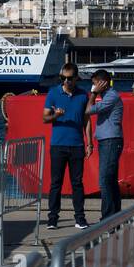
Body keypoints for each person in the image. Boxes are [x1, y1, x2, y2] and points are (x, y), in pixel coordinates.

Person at [42, 62, 89, 230]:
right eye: (63, 78)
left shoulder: (83, 95)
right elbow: (44, 118)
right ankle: (53, 218)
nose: (66, 81)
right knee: (56, 183)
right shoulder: (53, 93)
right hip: (58, 145)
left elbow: (86, 121)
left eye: (69, 78)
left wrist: (88, 142)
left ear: (76, 78)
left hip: (77, 145)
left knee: (77, 183)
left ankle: (80, 218)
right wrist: (56, 115)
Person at [85, 69, 124, 222]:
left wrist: (94, 94)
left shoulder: (111, 97)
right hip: (108, 140)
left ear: (103, 83)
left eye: (95, 84)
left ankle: (108, 216)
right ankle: (115, 215)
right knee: (111, 179)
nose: (93, 88)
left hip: (110, 141)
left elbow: (88, 110)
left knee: (105, 180)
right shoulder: (108, 96)